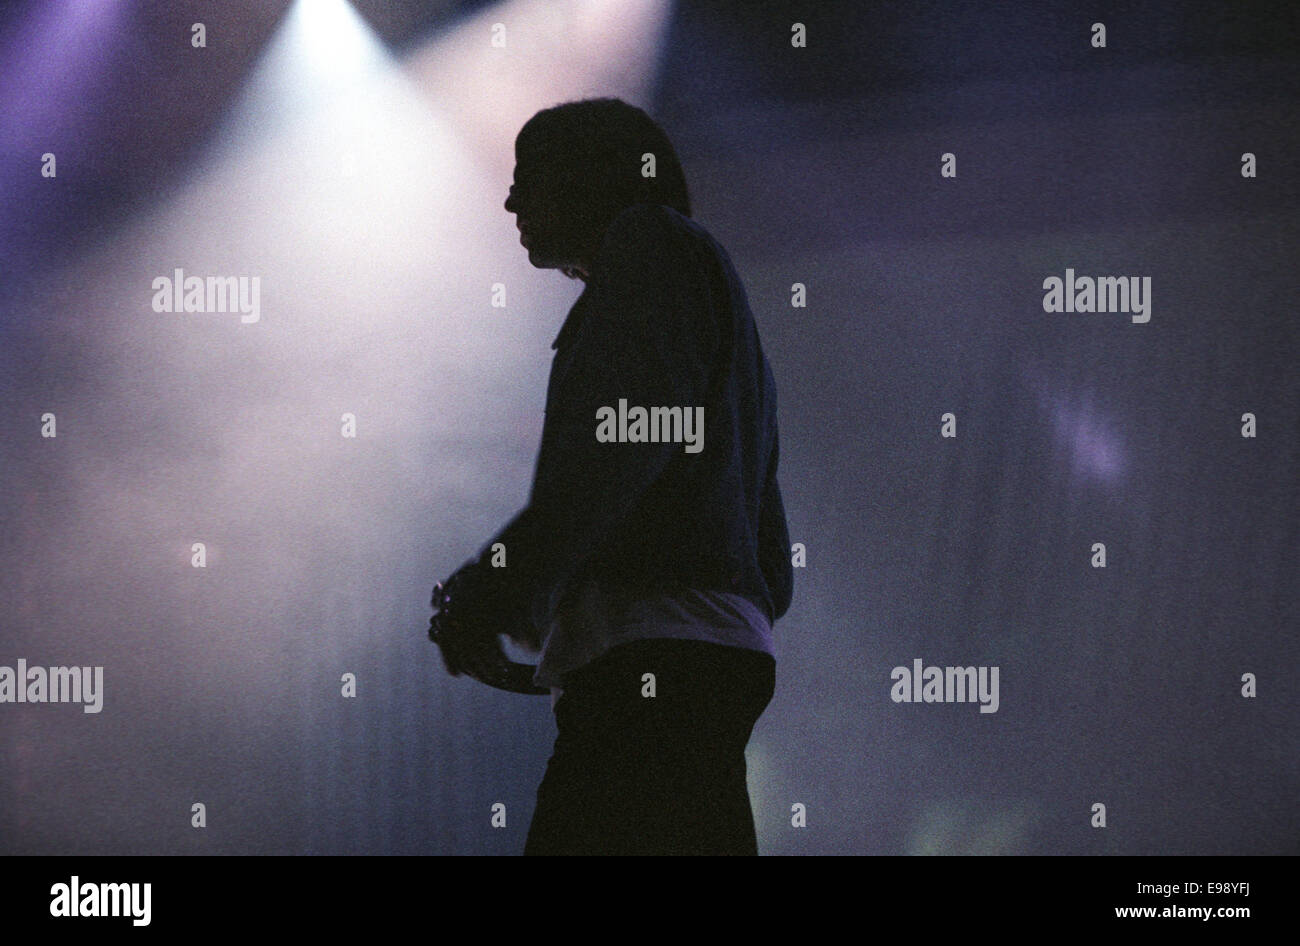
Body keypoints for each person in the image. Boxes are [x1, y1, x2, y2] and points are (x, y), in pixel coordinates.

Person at [430, 97, 793, 855]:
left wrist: (497, 587)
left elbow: (622, 445)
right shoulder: (714, 312)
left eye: (530, 175)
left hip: (648, 680)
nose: (511, 200)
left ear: (594, 175)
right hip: (706, 671)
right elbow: (771, 571)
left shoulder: (648, 242)